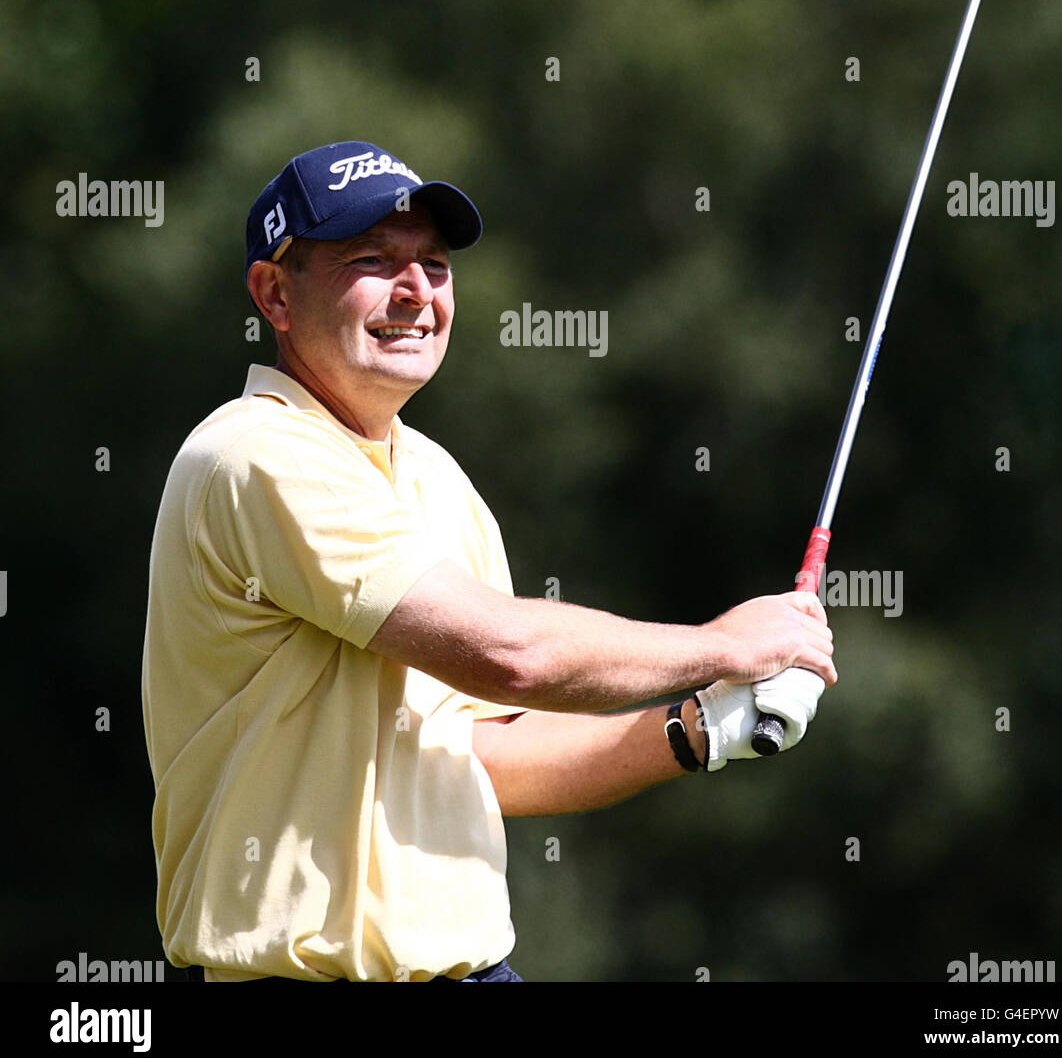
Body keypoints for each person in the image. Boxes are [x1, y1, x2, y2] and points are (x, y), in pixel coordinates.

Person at [141, 139, 836, 984]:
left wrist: (701, 730)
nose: (414, 292)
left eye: (433, 266)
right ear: (275, 294)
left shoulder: (436, 478)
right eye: (372, 259)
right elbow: (511, 656)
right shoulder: (253, 453)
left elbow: (482, 750)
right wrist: (728, 644)